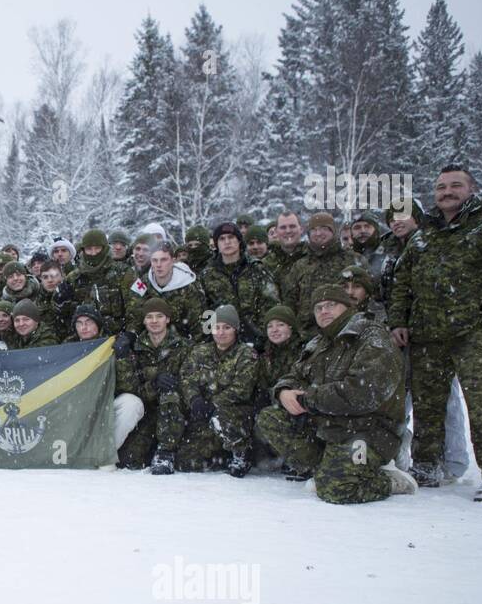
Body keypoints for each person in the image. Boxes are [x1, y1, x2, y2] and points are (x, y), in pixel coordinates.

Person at [389, 164, 482, 501]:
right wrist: (400, 321)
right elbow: (403, 281)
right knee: (428, 404)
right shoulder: (425, 236)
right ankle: (426, 464)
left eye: (455, 186)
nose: (447, 192)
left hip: (476, 332)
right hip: (427, 333)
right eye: (441, 188)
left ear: (471, 189)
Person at [256, 285, 417, 503]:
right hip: (330, 426)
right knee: (271, 417)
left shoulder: (372, 337)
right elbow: (295, 375)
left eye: (331, 305)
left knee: (337, 489)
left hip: (367, 432)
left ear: (347, 307)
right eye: (319, 308)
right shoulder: (319, 342)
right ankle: (326, 468)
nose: (324, 311)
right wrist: (283, 391)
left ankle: (389, 480)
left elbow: (362, 393)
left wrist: (307, 399)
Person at [177, 304, 259, 477]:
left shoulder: (246, 353)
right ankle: (220, 453)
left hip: (233, 413)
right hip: (203, 412)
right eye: (217, 327)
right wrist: (195, 400)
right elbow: (186, 378)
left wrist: (214, 403)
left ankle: (241, 452)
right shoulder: (200, 351)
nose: (221, 332)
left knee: (222, 417)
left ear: (235, 329)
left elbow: (242, 388)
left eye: (226, 328)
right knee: (186, 462)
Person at [119, 298, 190, 473]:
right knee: (130, 460)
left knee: (170, 393)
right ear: (143, 320)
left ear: (168, 319)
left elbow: (189, 382)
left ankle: (165, 453)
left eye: (159, 316)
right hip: (146, 410)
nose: (154, 321)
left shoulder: (183, 346)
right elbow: (129, 386)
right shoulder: (134, 347)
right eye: (149, 317)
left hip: (174, 411)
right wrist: (154, 383)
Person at [69, 305, 145, 455]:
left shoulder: (113, 345)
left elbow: (130, 386)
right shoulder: (68, 348)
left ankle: (103, 454)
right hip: (76, 406)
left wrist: (122, 358)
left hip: (106, 403)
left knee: (132, 403)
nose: (84, 327)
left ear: (98, 324)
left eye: (89, 322)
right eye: (79, 323)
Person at [199, 222, 280, 349]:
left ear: (239, 241)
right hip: (223, 342)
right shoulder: (207, 275)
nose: (227, 242)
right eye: (222, 239)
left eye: (231, 237)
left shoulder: (257, 269)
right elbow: (204, 313)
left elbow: (272, 305)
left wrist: (261, 335)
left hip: (259, 341)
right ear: (216, 244)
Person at [280, 212, 363, 335]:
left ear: (333, 231)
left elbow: (364, 296)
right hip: (306, 335)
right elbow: (289, 302)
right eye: (314, 230)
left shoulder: (351, 259)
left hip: (345, 330)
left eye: (324, 228)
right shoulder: (300, 265)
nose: (318, 233)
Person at [122, 241, 207, 338]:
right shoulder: (143, 283)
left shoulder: (188, 285)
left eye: (163, 260)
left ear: (173, 261)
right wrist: (131, 335)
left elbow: (198, 324)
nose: (158, 265)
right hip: (150, 339)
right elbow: (134, 314)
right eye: (154, 260)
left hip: (182, 341)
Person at [67, 229, 126, 335]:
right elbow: (64, 312)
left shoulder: (122, 273)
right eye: (89, 249)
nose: (93, 253)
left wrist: (129, 334)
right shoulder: (74, 278)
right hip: (85, 340)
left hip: (117, 336)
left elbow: (135, 308)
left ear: (104, 248)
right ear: (83, 250)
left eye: (97, 248)